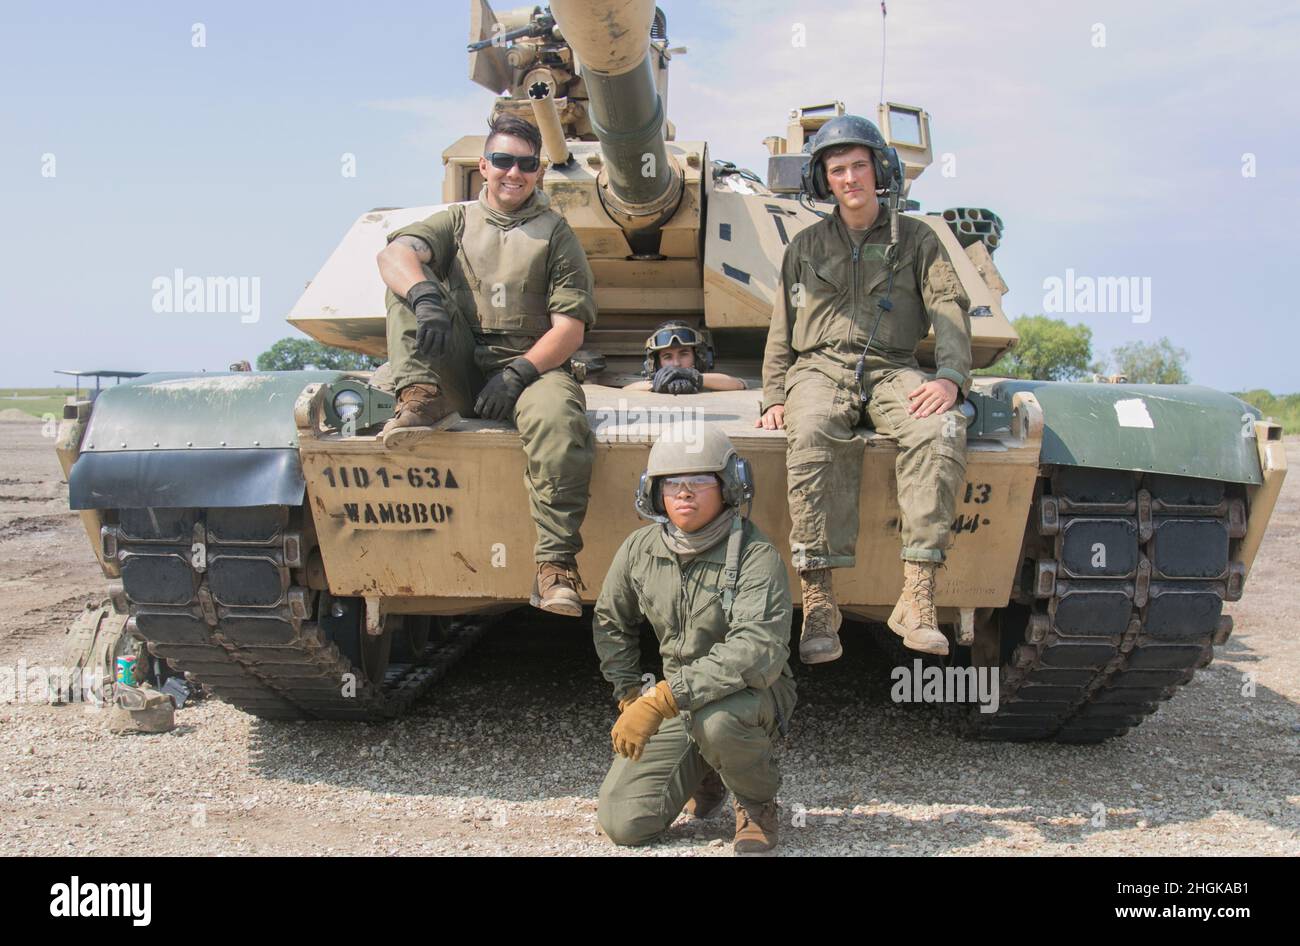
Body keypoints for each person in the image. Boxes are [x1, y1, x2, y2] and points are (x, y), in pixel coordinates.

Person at [755, 114, 972, 663]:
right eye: (837, 170)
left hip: (894, 365)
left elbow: (949, 306)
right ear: (824, 181)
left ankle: (918, 594)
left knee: (941, 426)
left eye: (858, 166)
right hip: (820, 367)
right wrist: (775, 394)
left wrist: (950, 378)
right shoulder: (806, 246)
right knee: (811, 434)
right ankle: (820, 599)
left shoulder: (918, 239)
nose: (849, 178)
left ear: (880, 172)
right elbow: (784, 323)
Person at [375, 113, 597, 617]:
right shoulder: (454, 222)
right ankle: (421, 398)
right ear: (483, 166)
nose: (513, 173)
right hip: (453, 357)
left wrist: (518, 373)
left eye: (525, 164)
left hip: (531, 362)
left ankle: (555, 566)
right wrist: (426, 295)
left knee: (560, 422)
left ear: (538, 172)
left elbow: (569, 330)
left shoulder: (555, 234)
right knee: (409, 287)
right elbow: (394, 255)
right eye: (502, 161)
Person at [593, 423, 796, 854]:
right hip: (678, 699)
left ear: (728, 487)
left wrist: (661, 700)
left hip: (750, 693)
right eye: (672, 483)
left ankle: (757, 806)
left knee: (719, 722)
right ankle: (705, 771)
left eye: (700, 481)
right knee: (625, 824)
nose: (684, 493)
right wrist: (630, 694)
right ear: (654, 492)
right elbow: (612, 619)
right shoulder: (640, 548)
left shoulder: (756, 555)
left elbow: (755, 651)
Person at [621, 321, 746, 393]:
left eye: (684, 354)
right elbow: (623, 392)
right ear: (657, 363)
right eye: (667, 356)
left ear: (697, 357)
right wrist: (657, 385)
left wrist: (695, 378)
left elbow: (739, 384)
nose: (676, 363)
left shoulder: (711, 382)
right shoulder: (647, 386)